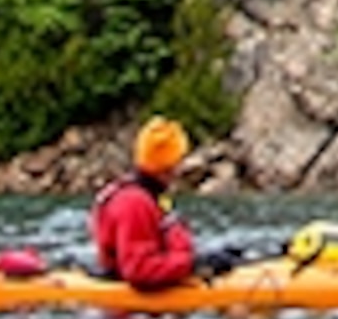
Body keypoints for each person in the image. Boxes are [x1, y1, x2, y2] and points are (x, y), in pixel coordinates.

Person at [92, 117, 236, 287]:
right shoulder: (133, 203)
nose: (182, 166)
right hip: (136, 304)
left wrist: (206, 257)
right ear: (167, 166)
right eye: (179, 160)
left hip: (168, 282)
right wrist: (193, 264)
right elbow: (138, 270)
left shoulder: (151, 195)